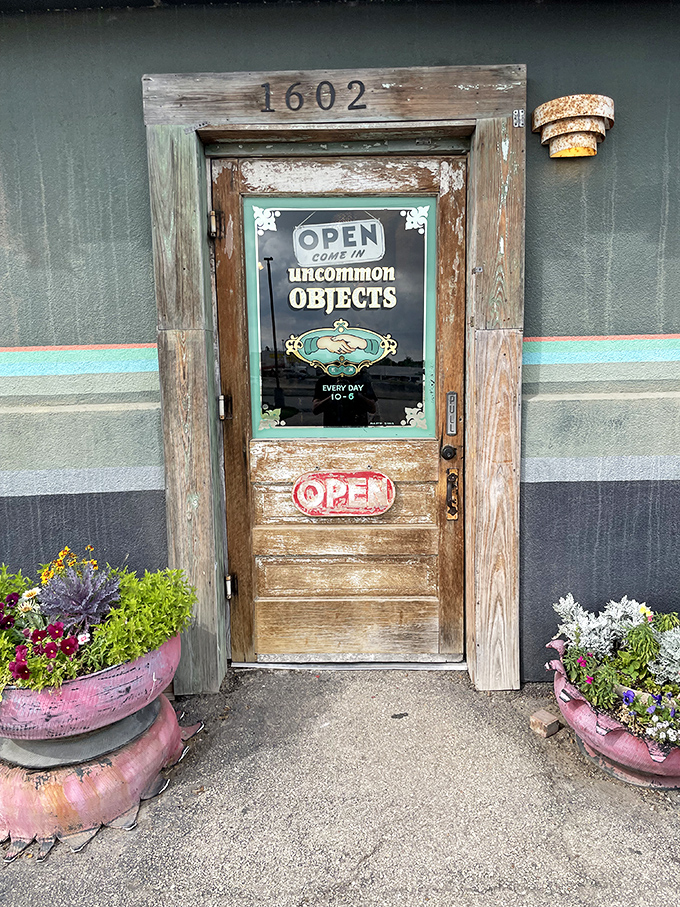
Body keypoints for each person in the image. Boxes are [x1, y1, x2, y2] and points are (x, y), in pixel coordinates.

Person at [312, 371, 377, 427]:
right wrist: (335, 395)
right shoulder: (324, 381)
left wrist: (354, 393)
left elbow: (372, 408)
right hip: (332, 430)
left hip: (357, 429)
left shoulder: (361, 380)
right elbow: (316, 409)